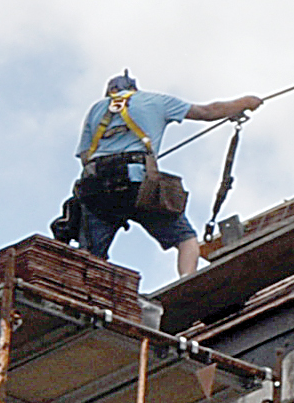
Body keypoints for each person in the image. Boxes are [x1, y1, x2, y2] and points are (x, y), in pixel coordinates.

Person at [54, 71, 262, 276]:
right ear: (134, 89)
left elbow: (84, 158)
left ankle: (79, 287)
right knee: (186, 239)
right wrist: (244, 102)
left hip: (96, 187)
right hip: (138, 183)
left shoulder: (96, 110)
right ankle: (188, 282)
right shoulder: (154, 100)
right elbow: (206, 112)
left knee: (89, 255)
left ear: (110, 92)